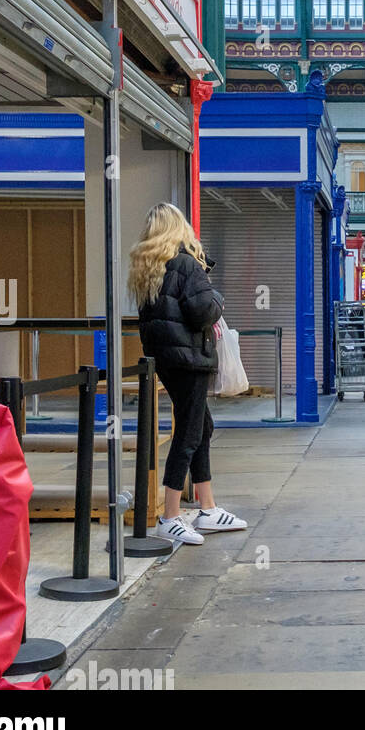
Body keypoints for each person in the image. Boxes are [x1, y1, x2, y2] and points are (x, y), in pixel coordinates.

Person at [129, 202, 248, 546]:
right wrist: (216, 296)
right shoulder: (184, 264)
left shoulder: (149, 267)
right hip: (191, 358)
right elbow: (202, 312)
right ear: (179, 228)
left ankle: (208, 508)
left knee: (201, 427)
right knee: (189, 434)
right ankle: (170, 515)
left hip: (167, 359)